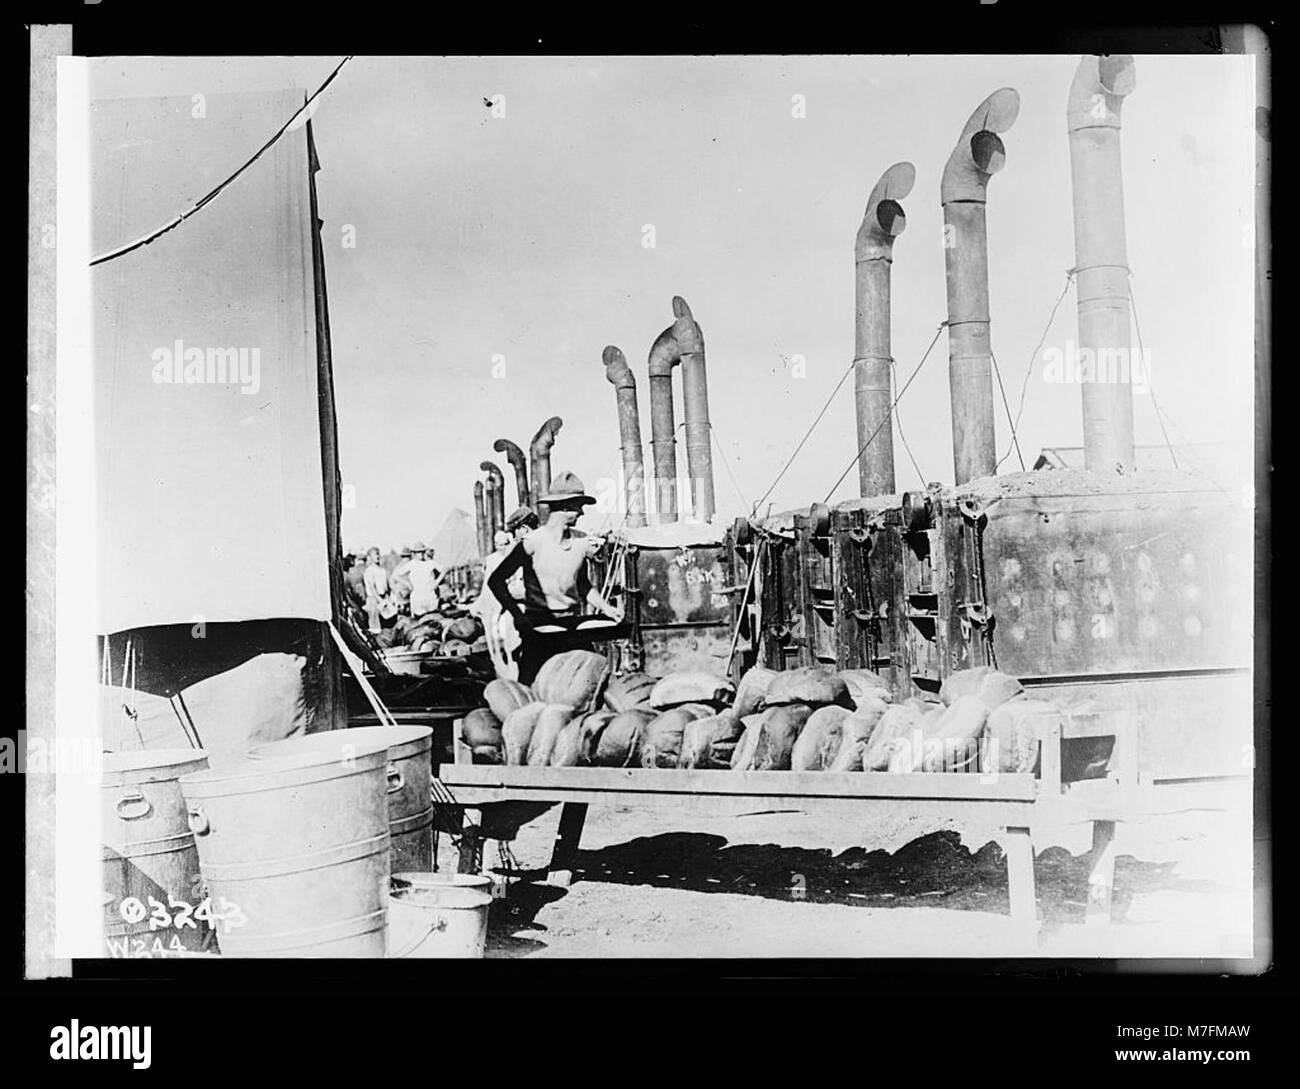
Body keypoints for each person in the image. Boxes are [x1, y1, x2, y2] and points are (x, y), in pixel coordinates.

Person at [486, 472, 621, 682]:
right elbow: (496, 580)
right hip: (538, 628)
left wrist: (607, 608)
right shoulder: (533, 542)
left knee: (588, 682)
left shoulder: (580, 542)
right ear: (565, 507)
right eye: (579, 507)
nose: (582, 514)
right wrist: (517, 615)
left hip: (573, 627)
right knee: (534, 689)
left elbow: (583, 586)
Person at [406, 542, 443, 618]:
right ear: (415, 553)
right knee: (418, 623)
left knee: (433, 621)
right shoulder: (411, 564)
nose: (421, 554)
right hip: (417, 599)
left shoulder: (430, 563)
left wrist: (436, 582)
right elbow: (396, 576)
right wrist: (408, 584)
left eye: (423, 552)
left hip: (430, 598)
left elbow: (445, 569)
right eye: (419, 552)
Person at [362, 547, 394, 633]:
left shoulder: (382, 570)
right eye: (375, 554)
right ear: (370, 557)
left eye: (378, 553)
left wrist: (388, 598)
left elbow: (387, 586)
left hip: (383, 598)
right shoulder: (369, 571)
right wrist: (380, 600)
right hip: (374, 599)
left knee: (388, 625)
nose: (378, 556)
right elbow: (372, 588)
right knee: (375, 627)